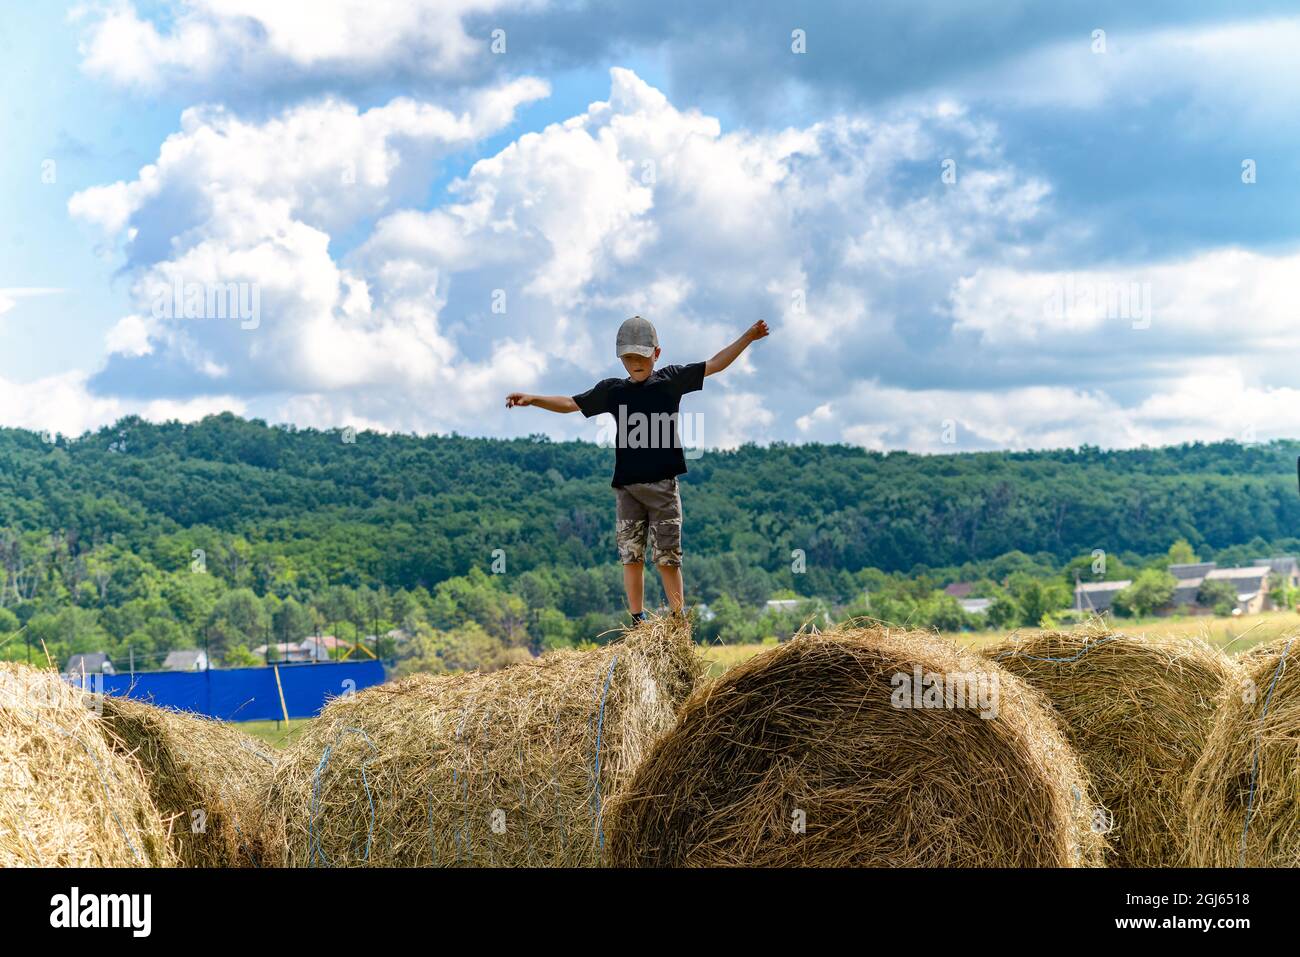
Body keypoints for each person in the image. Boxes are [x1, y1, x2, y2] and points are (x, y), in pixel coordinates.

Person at [506, 315, 769, 621]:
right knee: (631, 556)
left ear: (656, 353)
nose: (636, 363)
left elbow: (715, 364)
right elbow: (571, 404)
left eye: (641, 356)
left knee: (667, 559)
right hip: (628, 489)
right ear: (621, 359)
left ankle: (677, 620)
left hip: (663, 489)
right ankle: (638, 620)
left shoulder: (671, 380)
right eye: (629, 358)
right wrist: (533, 398)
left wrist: (748, 336)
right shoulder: (613, 390)